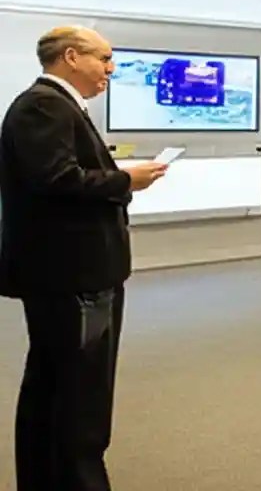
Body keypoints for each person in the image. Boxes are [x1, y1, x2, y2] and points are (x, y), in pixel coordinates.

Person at [0, 26, 168, 491]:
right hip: (73, 276)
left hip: (73, 273)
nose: (111, 69)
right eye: (105, 58)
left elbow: (63, 176)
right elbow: (57, 181)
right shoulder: (43, 106)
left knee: (55, 385)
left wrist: (116, 176)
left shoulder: (54, 106)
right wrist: (123, 181)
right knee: (79, 397)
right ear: (71, 57)